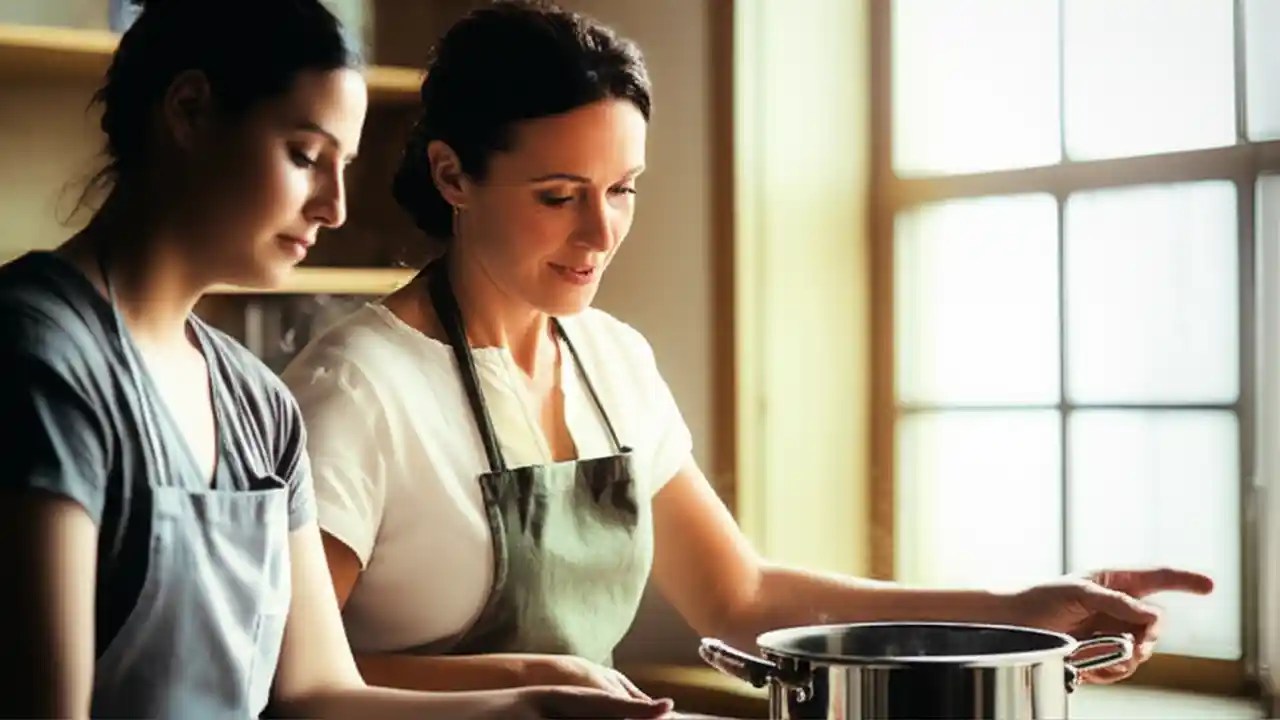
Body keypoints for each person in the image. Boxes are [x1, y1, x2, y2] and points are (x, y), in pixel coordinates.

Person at [283, 0, 1216, 698]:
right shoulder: (357, 391)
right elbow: (285, 686)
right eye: (560, 195)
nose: (601, 234)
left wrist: (1012, 611)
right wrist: (525, 684)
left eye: (624, 189)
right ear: (452, 173)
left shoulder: (613, 361)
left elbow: (745, 599)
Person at [0, 1, 676, 718]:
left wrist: (530, 707)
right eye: (304, 156)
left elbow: (316, 693)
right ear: (190, 111)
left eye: (344, 166)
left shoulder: (257, 405)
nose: (334, 207)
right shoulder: (39, 357)